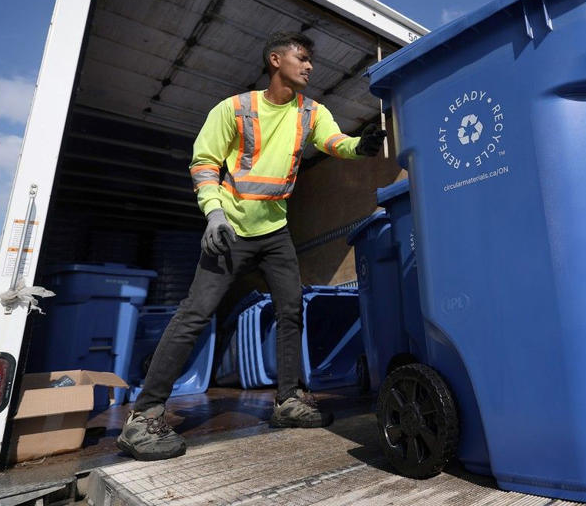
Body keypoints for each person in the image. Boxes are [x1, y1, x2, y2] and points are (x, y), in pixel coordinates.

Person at [116, 31, 386, 461]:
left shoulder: (312, 112)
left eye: (310, 60)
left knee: (290, 310)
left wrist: (361, 146)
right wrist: (214, 214)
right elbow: (204, 163)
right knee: (195, 314)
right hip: (231, 229)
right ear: (275, 60)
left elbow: (334, 142)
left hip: (275, 232)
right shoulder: (235, 109)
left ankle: (288, 400)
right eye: (301, 57)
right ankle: (143, 416)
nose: (309, 66)